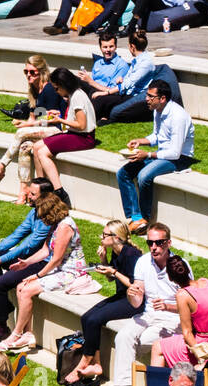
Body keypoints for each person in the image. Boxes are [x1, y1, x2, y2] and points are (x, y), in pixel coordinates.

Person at [99, 221, 180, 386]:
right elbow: (137, 299)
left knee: (141, 341)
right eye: (150, 242)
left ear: (168, 243)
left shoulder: (179, 266)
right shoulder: (143, 262)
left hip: (171, 318)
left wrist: (168, 307)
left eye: (159, 243)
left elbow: (189, 304)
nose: (154, 247)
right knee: (123, 336)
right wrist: (132, 295)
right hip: (148, 314)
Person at [0, 193, 93, 354]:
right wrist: (26, 263)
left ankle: (16, 334)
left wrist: (37, 276)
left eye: (43, 215)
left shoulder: (65, 226)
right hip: (59, 269)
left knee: (27, 289)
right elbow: (45, 250)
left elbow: (55, 259)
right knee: (22, 286)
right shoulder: (55, 224)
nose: (42, 219)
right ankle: (28, 334)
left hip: (71, 272)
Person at [65, 219, 141, 386]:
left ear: (116, 237)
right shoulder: (116, 251)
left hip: (135, 300)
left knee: (94, 319)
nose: (101, 236)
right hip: (123, 296)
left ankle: (84, 362)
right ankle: (96, 363)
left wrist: (113, 270)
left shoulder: (131, 255)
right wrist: (104, 261)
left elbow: (135, 285)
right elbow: (110, 277)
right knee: (86, 317)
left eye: (105, 234)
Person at [0, 179, 55, 346]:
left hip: (39, 262)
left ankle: (1, 327)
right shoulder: (34, 212)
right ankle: (4, 306)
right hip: (27, 258)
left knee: (0, 283)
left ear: (45, 197)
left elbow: (28, 245)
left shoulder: (48, 219)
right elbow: (17, 235)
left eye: (33, 194)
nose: (28, 195)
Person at [116, 79, 194, 233]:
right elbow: (157, 136)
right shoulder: (157, 110)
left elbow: (175, 152)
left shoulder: (178, 117)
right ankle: (136, 217)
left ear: (162, 98)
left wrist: (148, 155)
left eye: (151, 96)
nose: (147, 99)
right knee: (123, 173)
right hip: (163, 154)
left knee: (144, 175)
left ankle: (145, 219)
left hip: (179, 159)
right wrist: (141, 141)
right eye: (147, 95)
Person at [0, 56, 63, 197]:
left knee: (21, 133)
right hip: (44, 129)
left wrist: (27, 125)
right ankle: (23, 191)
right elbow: (33, 117)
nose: (28, 75)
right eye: (26, 72)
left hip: (57, 129)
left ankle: (0, 168)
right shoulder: (34, 90)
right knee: (24, 146)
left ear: (42, 72)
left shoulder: (49, 89)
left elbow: (53, 119)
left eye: (32, 72)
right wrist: (23, 122)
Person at [31, 68, 97, 198]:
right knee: (36, 146)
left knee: (43, 152)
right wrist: (59, 115)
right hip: (76, 134)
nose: (56, 92)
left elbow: (81, 125)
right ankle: (41, 186)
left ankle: (59, 191)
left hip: (83, 138)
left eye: (56, 88)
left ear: (63, 85)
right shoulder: (75, 94)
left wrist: (59, 120)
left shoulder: (77, 97)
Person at [153, 265, 208, 368]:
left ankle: (157, 383)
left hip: (204, 346)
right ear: (187, 270)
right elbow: (199, 309)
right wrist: (167, 307)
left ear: (170, 278)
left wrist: (201, 358)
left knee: (158, 347)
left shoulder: (182, 295)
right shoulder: (206, 282)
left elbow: (187, 333)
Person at [85, 28, 158, 126]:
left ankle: (85, 123)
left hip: (132, 97)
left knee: (101, 99)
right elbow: (130, 80)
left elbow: (129, 84)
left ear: (132, 46)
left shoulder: (145, 63)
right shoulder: (137, 60)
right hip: (125, 93)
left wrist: (106, 92)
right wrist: (123, 79)